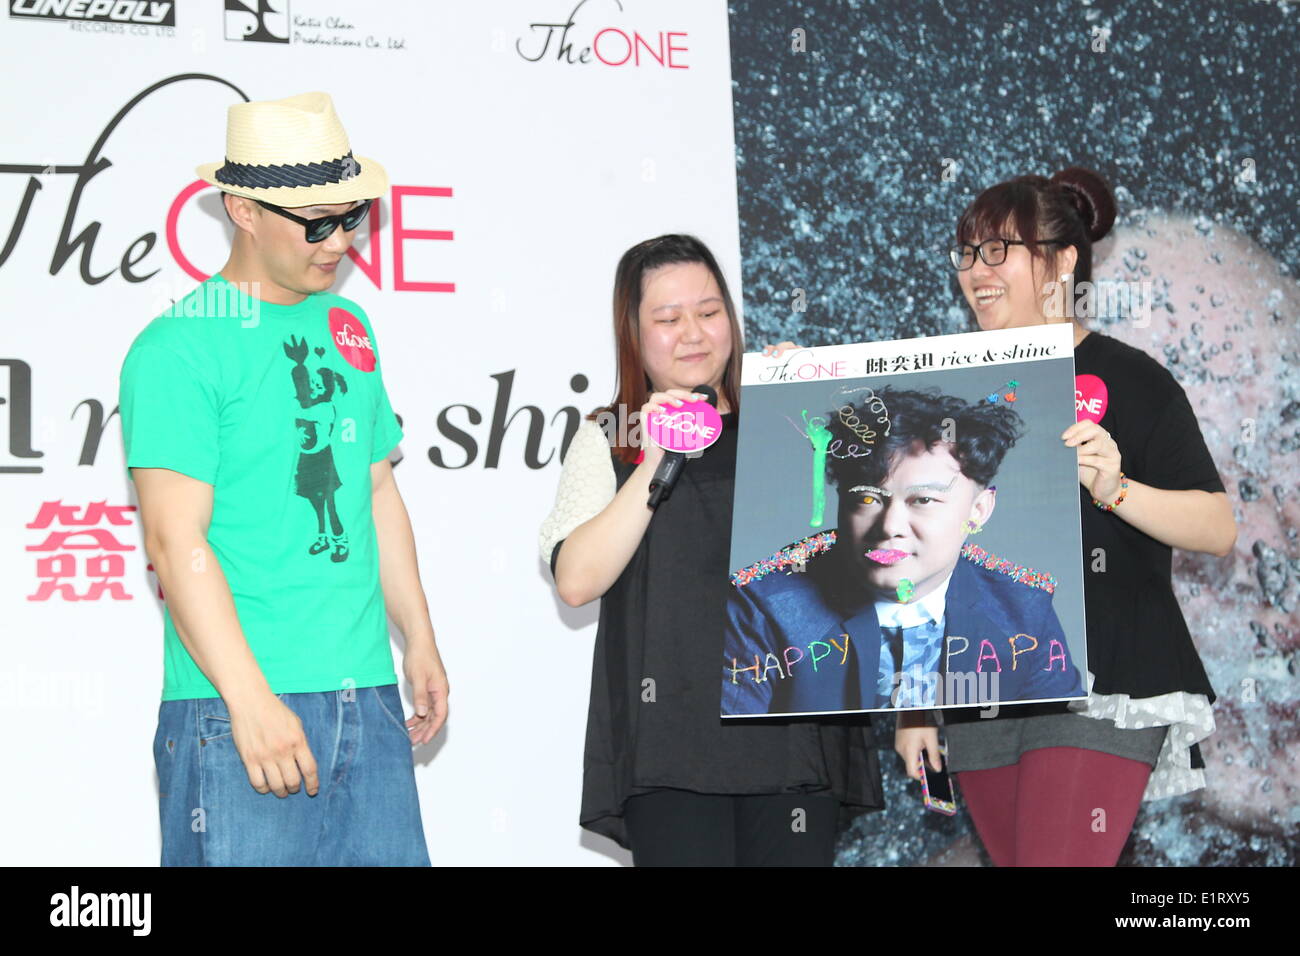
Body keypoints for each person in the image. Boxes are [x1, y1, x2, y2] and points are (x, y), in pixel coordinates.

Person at [119, 91, 449, 866]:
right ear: (242, 210)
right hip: (235, 707)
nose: (342, 242)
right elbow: (173, 539)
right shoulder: (178, 347)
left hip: (368, 695)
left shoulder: (349, 327)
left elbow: (376, 491)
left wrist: (419, 638)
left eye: (353, 217)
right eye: (318, 223)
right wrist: (248, 698)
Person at [896, 167, 1236, 866]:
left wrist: (1117, 489)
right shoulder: (948, 391)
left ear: (1061, 261)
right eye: (967, 253)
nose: (977, 270)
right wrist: (914, 703)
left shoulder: (1133, 379)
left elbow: (1217, 527)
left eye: (999, 250)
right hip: (982, 687)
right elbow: (912, 553)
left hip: (1102, 681)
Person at [538, 234, 882, 866]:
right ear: (634, 334)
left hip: (792, 733)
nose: (693, 333)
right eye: (668, 319)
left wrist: (812, 406)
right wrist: (656, 456)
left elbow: (873, 539)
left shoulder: (790, 420)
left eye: (709, 311)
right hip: (672, 748)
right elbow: (576, 581)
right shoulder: (611, 435)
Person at [724, 387, 1083, 716]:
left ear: (978, 510)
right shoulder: (765, 609)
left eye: (923, 500)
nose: (890, 526)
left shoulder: (1023, 610)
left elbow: (1056, 743)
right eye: (868, 499)